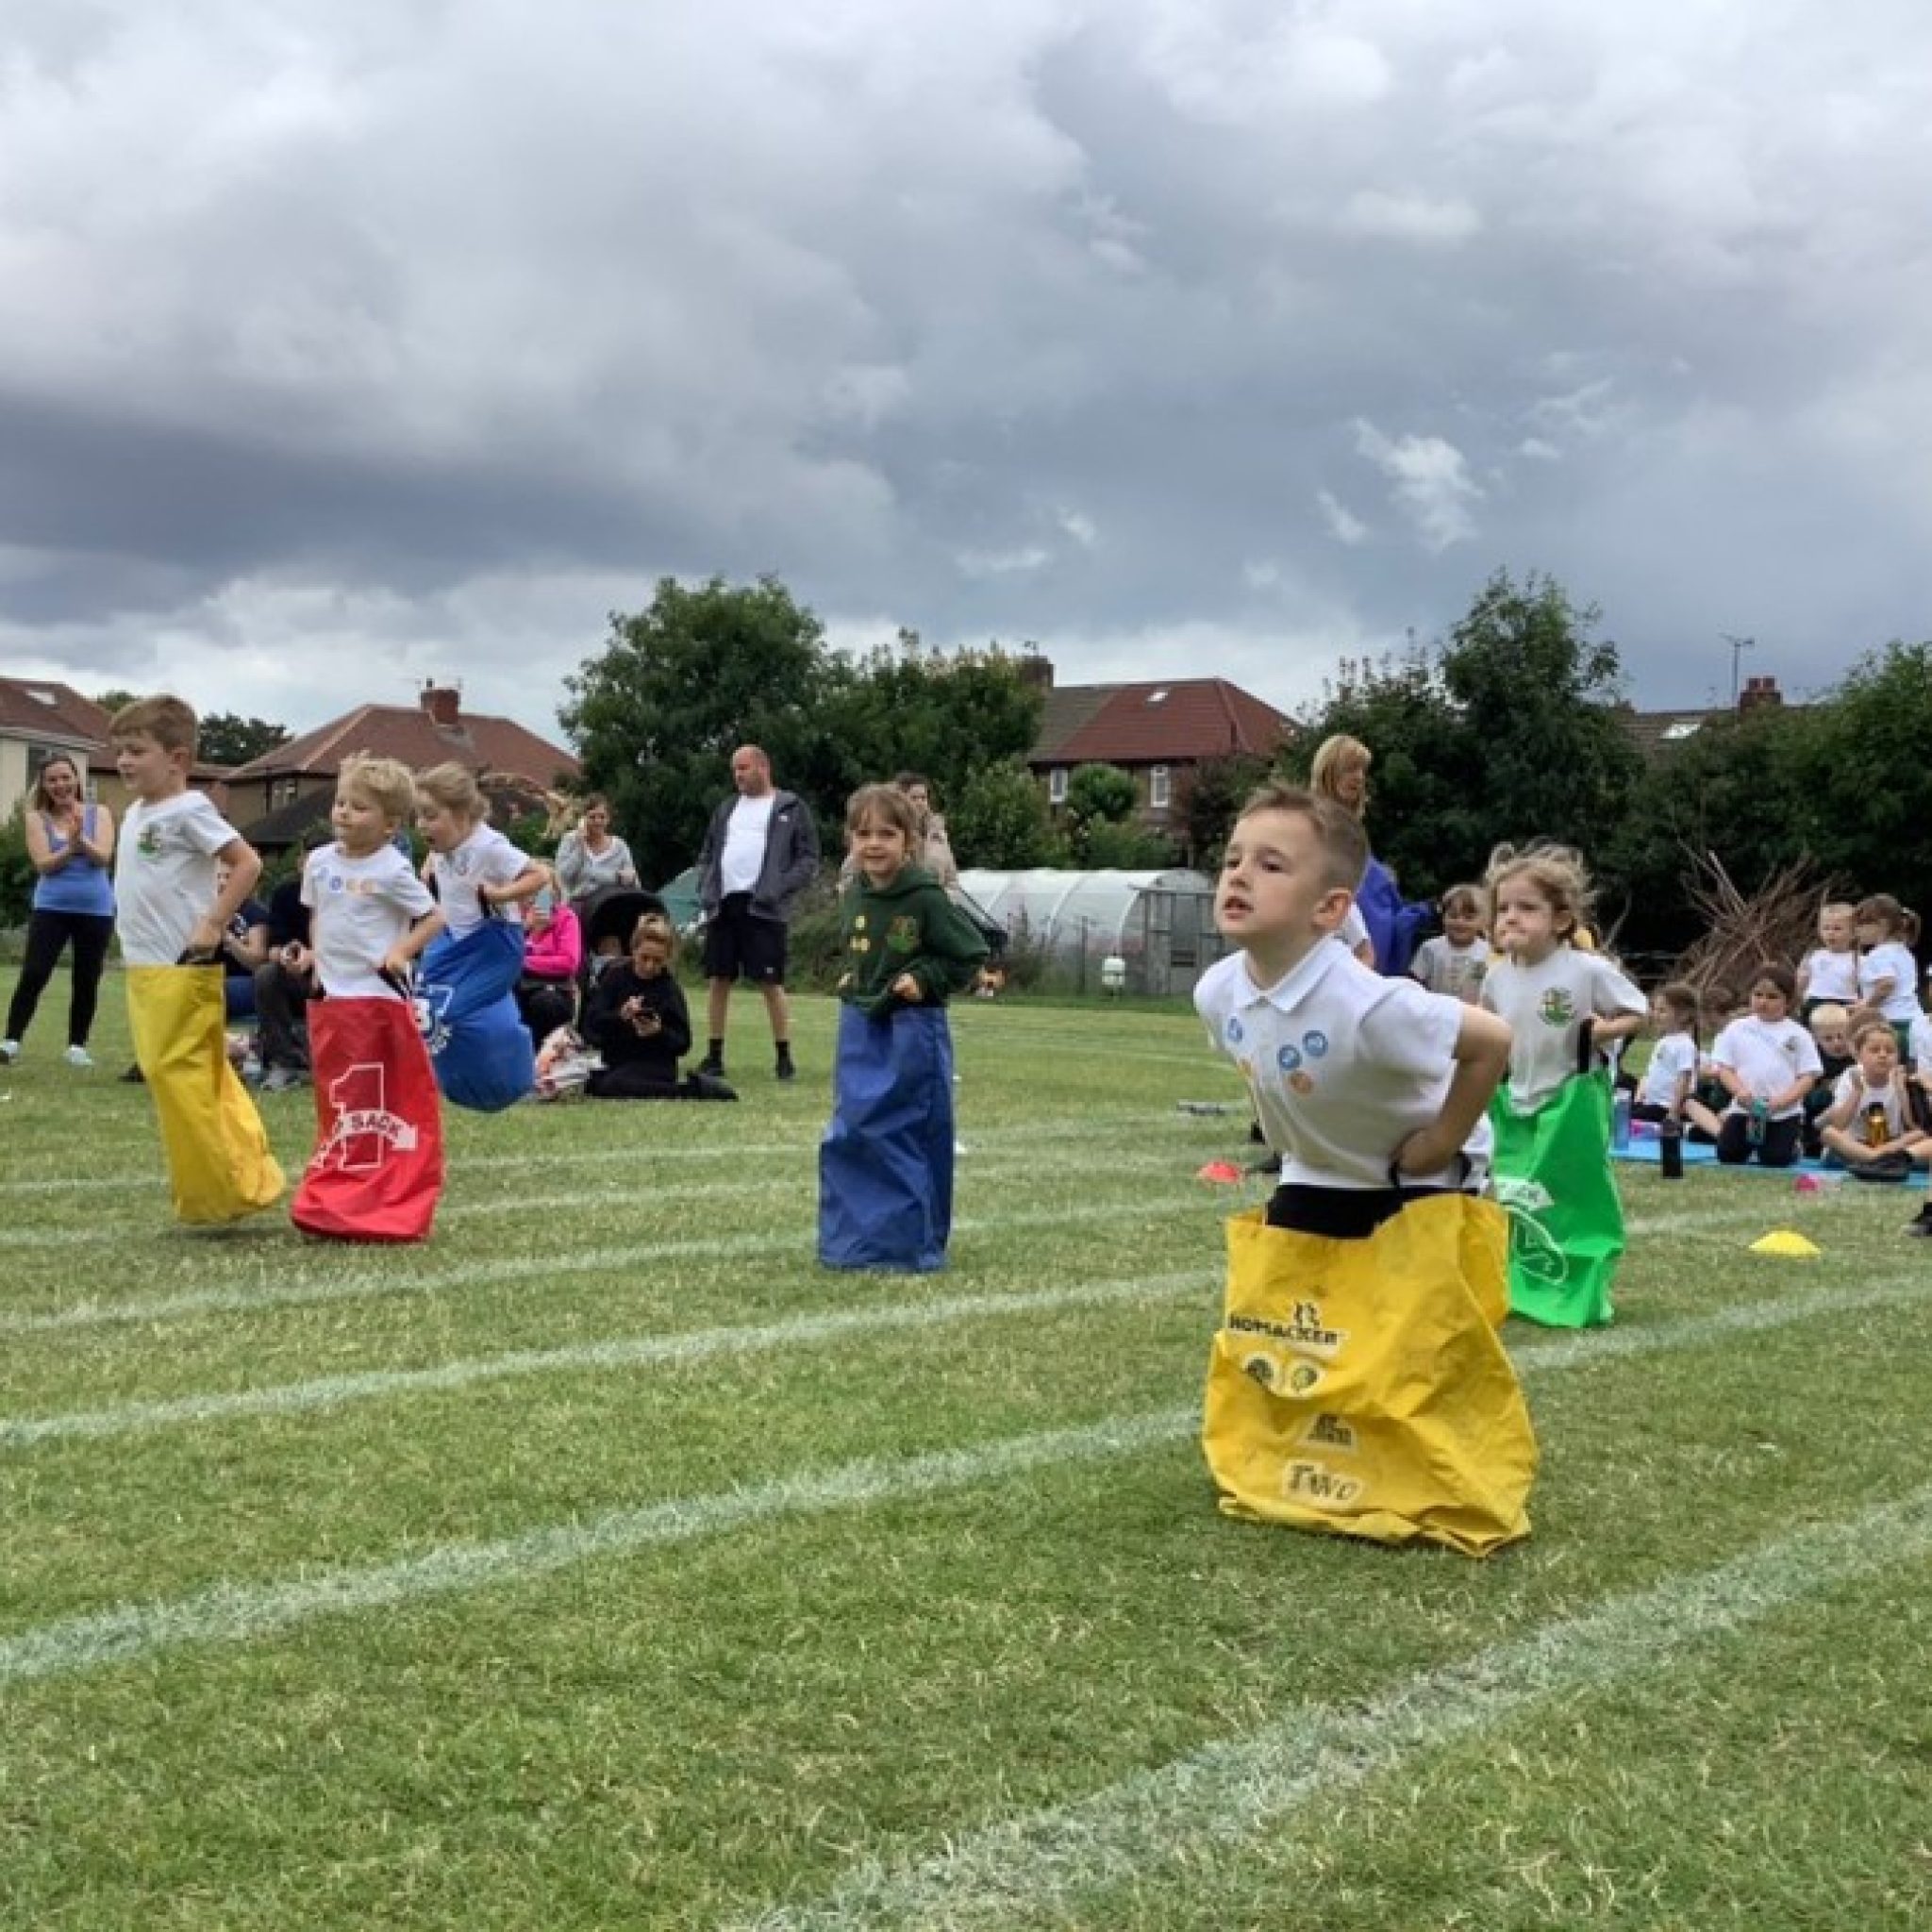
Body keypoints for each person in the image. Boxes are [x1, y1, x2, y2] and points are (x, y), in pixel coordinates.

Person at [1193, 782, 1534, 1555]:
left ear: (1329, 909)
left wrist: (1442, 1142)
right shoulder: (1217, 992)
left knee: (1412, 1342)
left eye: (1271, 865)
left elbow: (1492, 1042)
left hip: (1414, 1178)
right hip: (1316, 1172)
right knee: (1287, 1325)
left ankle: (1426, 1470)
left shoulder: (1372, 1006)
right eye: (1233, 859)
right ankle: (1297, 1463)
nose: (1239, 875)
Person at [109, 694, 284, 1224]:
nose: (124, 761)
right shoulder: (136, 812)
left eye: (136, 750)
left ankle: (231, 1188)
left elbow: (247, 863)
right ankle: (229, 1184)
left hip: (181, 965)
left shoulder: (190, 810)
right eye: (120, 751)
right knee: (181, 1074)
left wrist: (212, 923)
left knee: (181, 1074)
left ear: (177, 758)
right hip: (147, 968)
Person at [818, 783, 989, 1272]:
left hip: (912, 1027)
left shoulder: (926, 898)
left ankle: (907, 1242)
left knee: (904, 1127)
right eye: (863, 834)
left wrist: (925, 978)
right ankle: (854, 1242)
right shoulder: (855, 894)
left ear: (908, 841)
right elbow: (862, 947)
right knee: (854, 1128)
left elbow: (969, 954)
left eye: (886, 834)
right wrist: (854, 976)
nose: (874, 844)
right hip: (862, 1024)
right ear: (850, 840)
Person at [1479, 841, 1645, 1326]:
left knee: (1572, 1191)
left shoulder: (1584, 970)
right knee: (1519, 1190)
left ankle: (1580, 1284)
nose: (1511, 918)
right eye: (1503, 908)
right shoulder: (1496, 979)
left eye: (1527, 908)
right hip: (1517, 1098)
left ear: (1561, 919)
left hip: (1574, 1093)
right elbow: (1487, 1030)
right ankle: (1526, 1282)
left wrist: (1604, 1031)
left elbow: (1637, 1011)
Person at [290, 756, 446, 1241]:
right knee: (339, 1097)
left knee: (374, 1098)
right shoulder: (319, 863)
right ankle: (339, 1190)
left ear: (390, 824)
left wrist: (400, 952)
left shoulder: (393, 869)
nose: (344, 813)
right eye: (341, 802)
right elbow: (319, 916)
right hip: (333, 999)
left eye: (359, 808)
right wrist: (314, 958)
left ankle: (378, 1196)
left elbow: (434, 917)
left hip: (376, 999)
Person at [415, 763, 547, 1111]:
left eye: (430, 816)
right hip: (453, 941)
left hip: (494, 946)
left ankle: (520, 1070)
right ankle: (457, 1080)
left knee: (445, 1011)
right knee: (422, 1010)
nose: (421, 825)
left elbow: (538, 875)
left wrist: (500, 894)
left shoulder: (489, 846)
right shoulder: (442, 845)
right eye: (419, 816)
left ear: (461, 814)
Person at [694, 743, 820, 1083]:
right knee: (718, 979)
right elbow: (707, 852)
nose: (738, 775)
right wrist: (707, 885)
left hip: (764, 906)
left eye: (744, 768)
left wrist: (778, 887)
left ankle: (783, 1057)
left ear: (763, 767)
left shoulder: (790, 807)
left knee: (770, 982)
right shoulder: (726, 809)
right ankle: (714, 1055)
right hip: (724, 903)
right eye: (734, 769)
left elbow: (808, 858)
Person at [2, 753, 116, 1068]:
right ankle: (11, 1041)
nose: (60, 784)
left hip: (96, 909)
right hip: (51, 907)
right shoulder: (36, 818)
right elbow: (44, 865)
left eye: (65, 777)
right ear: (44, 785)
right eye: (52, 780)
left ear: (76, 779)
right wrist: (71, 847)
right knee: (35, 972)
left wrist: (82, 841)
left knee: (87, 977)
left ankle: (77, 1046)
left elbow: (103, 857)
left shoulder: (99, 813)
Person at [1307, 734, 1430, 976]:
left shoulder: (1354, 827)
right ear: (1329, 770)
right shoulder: (1310, 821)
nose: (1359, 777)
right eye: (1350, 768)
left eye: (1362, 770)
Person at [582, 912, 734, 1100]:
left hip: (655, 1064)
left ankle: (690, 1090)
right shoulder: (615, 978)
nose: (649, 966)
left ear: (667, 958)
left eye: (657, 961)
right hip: (617, 1060)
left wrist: (659, 1032)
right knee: (592, 1083)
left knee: (611, 1086)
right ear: (634, 950)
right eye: (644, 958)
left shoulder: (669, 989)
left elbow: (683, 1042)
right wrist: (620, 1017)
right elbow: (591, 1027)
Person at [1709, 963, 1823, 1168]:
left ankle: (1793, 1145)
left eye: (1772, 997)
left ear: (1788, 1000)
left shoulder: (1799, 1034)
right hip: (1744, 1109)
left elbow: (1808, 1076)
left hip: (1782, 1112)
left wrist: (1782, 1102)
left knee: (1775, 1159)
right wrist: (1739, 1091)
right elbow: (1724, 1068)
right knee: (1728, 1154)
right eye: (1758, 995)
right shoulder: (1737, 1028)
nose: (1763, 1002)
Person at [253, 827, 327, 1092]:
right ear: (300, 863)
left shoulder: (347, 894)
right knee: (267, 975)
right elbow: (273, 948)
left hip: (341, 976)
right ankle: (284, 1062)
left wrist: (317, 957)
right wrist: (287, 956)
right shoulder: (286, 894)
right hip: (298, 976)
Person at [1815, 1016, 1928, 1180]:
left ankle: (1876, 1160)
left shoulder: (1903, 1078)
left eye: (1890, 1051)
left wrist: (1902, 1092)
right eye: (1875, 1050)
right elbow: (1839, 1125)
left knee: (1922, 1134)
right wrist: (1857, 1092)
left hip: (1892, 1143)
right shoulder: (1850, 1075)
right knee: (1828, 1133)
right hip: (1858, 1143)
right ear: (1858, 1055)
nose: (1883, 1055)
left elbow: (1912, 1125)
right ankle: (1878, 1160)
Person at [1633, 983, 1724, 1141]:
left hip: (1667, 1106)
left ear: (1683, 1016)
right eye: (1655, 1009)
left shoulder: (1684, 1045)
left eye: (1662, 1011)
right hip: (1653, 1102)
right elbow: (1652, 1072)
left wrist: (1674, 1111)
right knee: (1622, 1114)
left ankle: (1683, 1128)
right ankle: (1686, 1129)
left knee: (1627, 1121)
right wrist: (1641, 1093)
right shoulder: (1664, 1041)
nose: (1655, 1014)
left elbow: (1684, 1079)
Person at [515, 868, 583, 1049]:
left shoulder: (566, 918)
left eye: (543, 888)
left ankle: (543, 1054)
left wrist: (524, 962)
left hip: (554, 988)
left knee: (544, 1003)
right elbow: (503, 956)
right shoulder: (515, 918)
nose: (537, 896)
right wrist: (527, 928)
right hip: (518, 984)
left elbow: (568, 963)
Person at [1853, 894, 1922, 1055]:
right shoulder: (1903, 950)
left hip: (1892, 1023)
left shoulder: (1879, 954)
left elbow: (1887, 984)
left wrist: (1867, 1006)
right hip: (1914, 1021)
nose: (1856, 931)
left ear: (1882, 925)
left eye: (1861, 925)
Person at [554, 794, 639, 910]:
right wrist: (580, 847)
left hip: (610, 904)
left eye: (602, 817)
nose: (597, 821)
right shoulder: (570, 840)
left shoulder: (620, 846)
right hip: (578, 904)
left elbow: (634, 883)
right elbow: (561, 877)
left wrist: (629, 878)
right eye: (592, 817)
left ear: (608, 819)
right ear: (583, 819)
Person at [1407, 883, 1488, 1003]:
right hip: (1436, 1010)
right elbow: (1414, 984)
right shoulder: (1430, 949)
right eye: (1453, 916)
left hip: (1474, 1012)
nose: (1460, 922)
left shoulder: (1487, 952)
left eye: (1468, 918)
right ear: (1444, 918)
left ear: (1482, 922)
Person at [1800, 1002, 1855, 1156]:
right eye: (1828, 1039)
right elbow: (1806, 1099)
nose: (1837, 1043)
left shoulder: (1856, 1057)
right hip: (1819, 1121)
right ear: (1816, 1039)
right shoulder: (1813, 1060)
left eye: (1841, 1036)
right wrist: (1828, 1090)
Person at [1795, 900, 1859, 1020]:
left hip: (1845, 1004)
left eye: (1837, 929)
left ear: (1853, 933)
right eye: (1826, 928)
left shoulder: (1857, 959)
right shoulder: (1813, 955)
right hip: (1814, 1002)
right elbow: (1801, 981)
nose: (1831, 933)